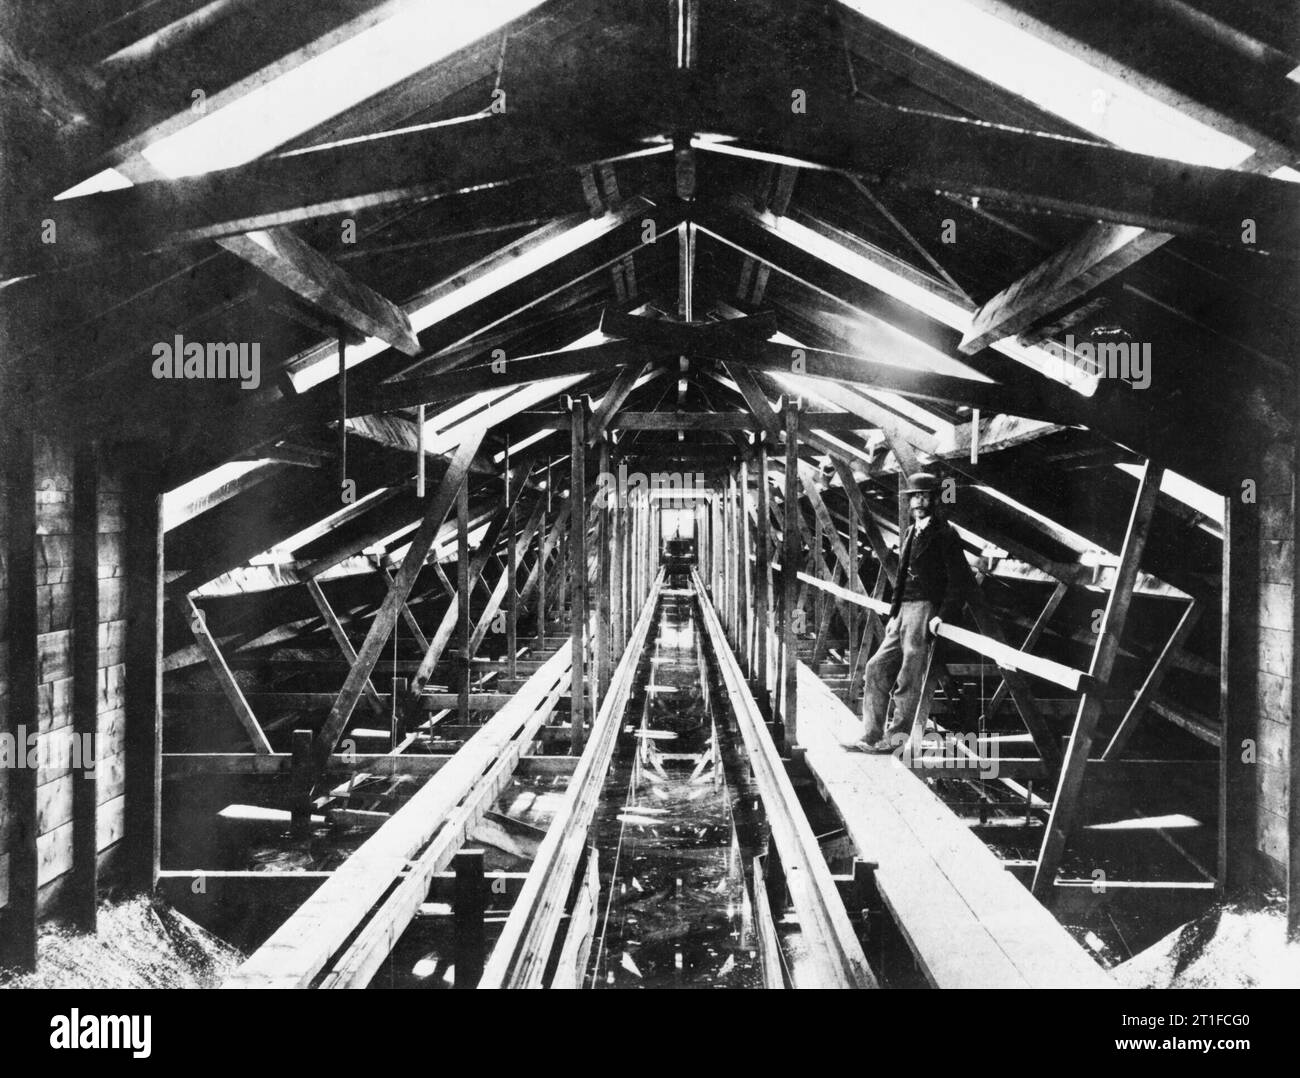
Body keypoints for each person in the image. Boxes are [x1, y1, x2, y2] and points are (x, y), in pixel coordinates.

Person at [854, 471, 972, 753]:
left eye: (924, 496)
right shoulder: (910, 532)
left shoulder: (945, 533)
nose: (918, 502)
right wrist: (894, 612)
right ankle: (870, 734)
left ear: (933, 499)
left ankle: (896, 738)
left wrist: (941, 615)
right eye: (914, 497)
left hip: (924, 610)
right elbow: (902, 577)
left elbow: (959, 580)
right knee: (876, 667)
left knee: (908, 675)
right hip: (903, 611)